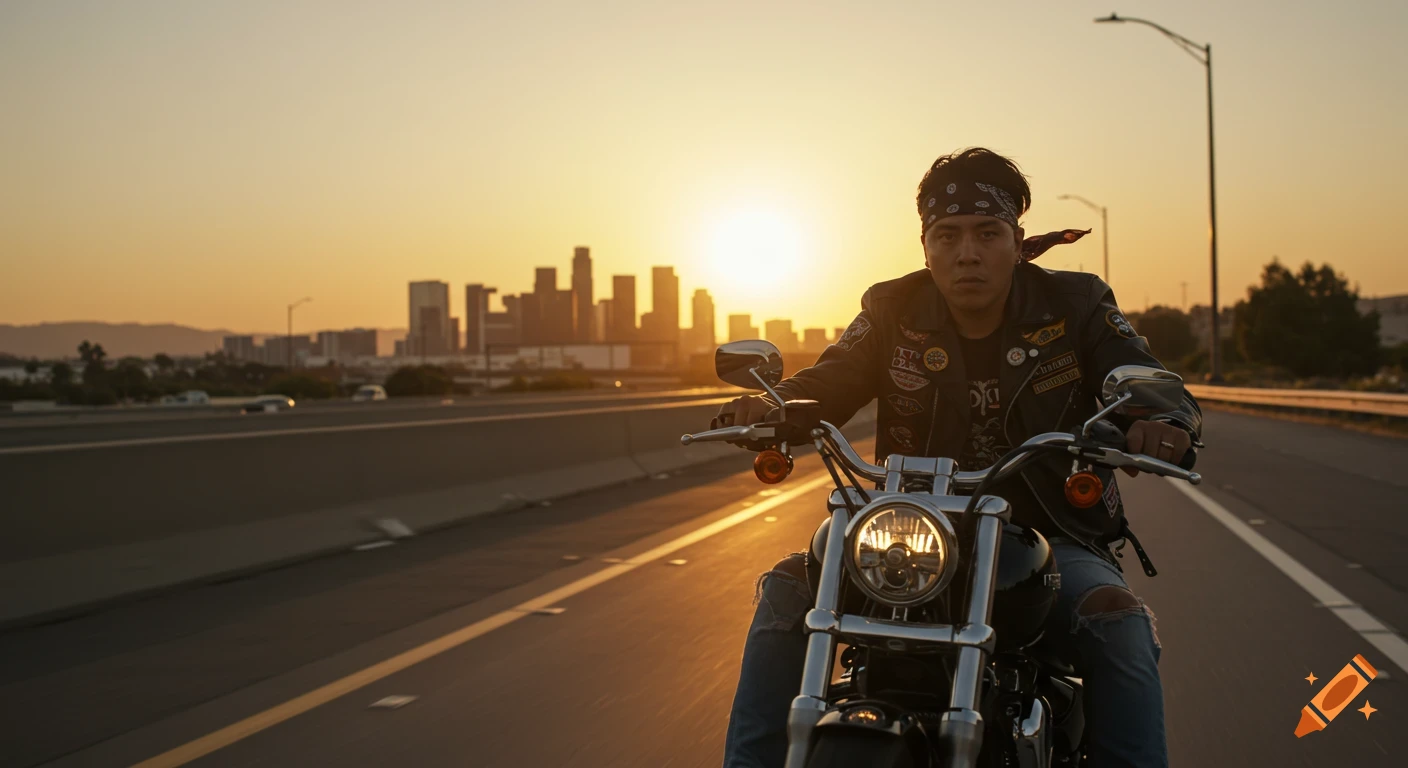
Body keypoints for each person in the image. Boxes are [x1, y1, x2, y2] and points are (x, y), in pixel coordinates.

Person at [714, 147, 1202, 768]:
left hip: (1051, 533)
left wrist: (1162, 416)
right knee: (786, 590)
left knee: (1119, 621)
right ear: (926, 246)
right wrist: (774, 405)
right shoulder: (892, 310)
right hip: (912, 531)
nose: (966, 252)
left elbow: (1136, 367)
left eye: (986, 233)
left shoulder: (1075, 305)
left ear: (1016, 241)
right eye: (948, 235)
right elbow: (833, 378)